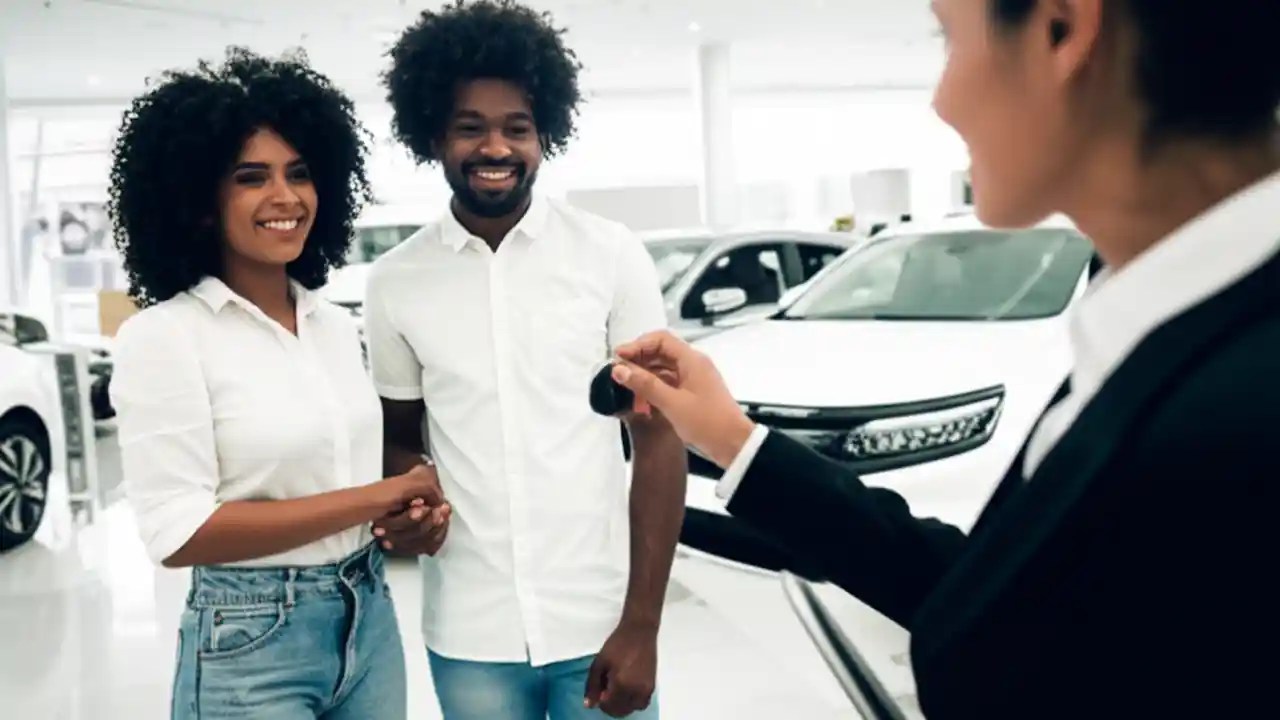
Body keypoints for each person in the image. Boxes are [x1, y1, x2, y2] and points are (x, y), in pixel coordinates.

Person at [609, 0, 1279, 717]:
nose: (941, 102)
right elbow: (993, 596)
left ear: (1062, 30)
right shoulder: (1162, 337)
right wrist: (734, 441)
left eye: (948, 38)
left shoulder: (1241, 413)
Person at [366, 2, 687, 718]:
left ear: (547, 134)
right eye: (469, 126)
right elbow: (398, 437)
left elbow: (660, 442)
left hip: (601, 620)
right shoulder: (395, 282)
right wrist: (408, 501)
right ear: (433, 136)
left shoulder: (609, 255)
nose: (496, 148)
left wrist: (642, 625)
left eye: (518, 127)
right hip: (470, 631)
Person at [107, 47, 438, 720]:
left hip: (368, 616)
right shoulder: (165, 338)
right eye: (251, 177)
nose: (285, 197)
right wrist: (377, 494)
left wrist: (408, 519)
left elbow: (338, 469)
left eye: (300, 173)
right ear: (200, 202)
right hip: (250, 637)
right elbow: (180, 533)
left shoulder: (333, 328)